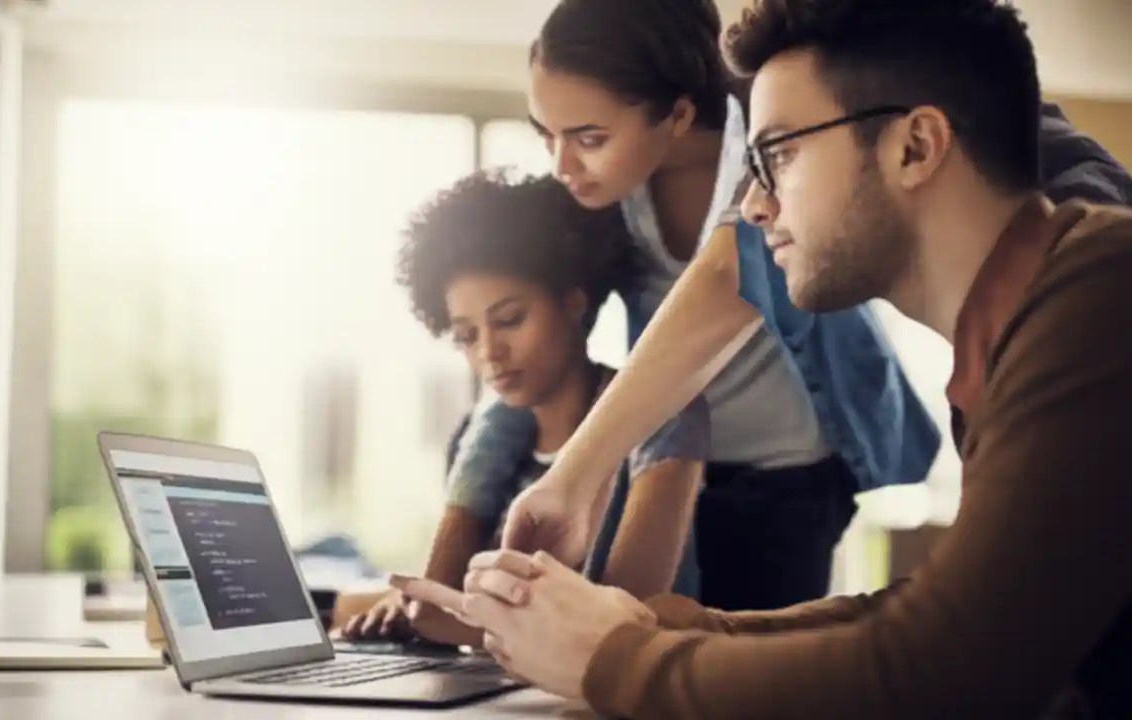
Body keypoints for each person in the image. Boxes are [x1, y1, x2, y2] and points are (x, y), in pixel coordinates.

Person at [399, 0, 1132, 716]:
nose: (750, 205)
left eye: (778, 154)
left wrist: (610, 661)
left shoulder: (1095, 292)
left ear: (915, 147)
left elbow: (947, 666)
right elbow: (943, 617)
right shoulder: (1009, 343)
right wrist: (659, 629)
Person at [450, 0, 941, 613]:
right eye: (545, 135)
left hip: (793, 472)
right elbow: (544, 337)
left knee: (750, 674)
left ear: (678, 114)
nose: (562, 165)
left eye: (589, 138)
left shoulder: (771, 149)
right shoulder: (598, 197)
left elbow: (726, 270)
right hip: (670, 466)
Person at [342, 171, 710, 644]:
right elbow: (435, 605)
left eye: (510, 320)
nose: (489, 352)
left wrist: (435, 612)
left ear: (573, 302)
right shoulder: (478, 440)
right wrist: (414, 607)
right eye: (466, 336)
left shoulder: (665, 415)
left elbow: (625, 620)